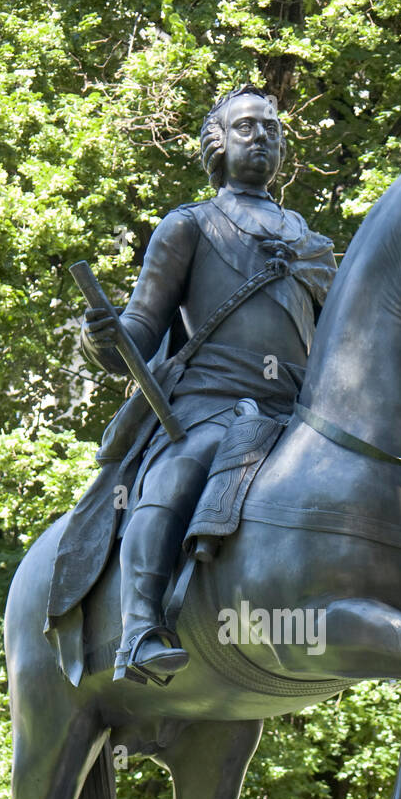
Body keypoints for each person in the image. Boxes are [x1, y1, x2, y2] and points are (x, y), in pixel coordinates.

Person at [79, 84, 337, 683]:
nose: (263, 138)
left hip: (298, 414)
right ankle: (140, 630)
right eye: (247, 127)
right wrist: (104, 338)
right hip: (212, 403)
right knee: (176, 475)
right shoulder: (189, 225)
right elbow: (142, 329)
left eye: (272, 129)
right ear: (217, 144)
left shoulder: (314, 246)